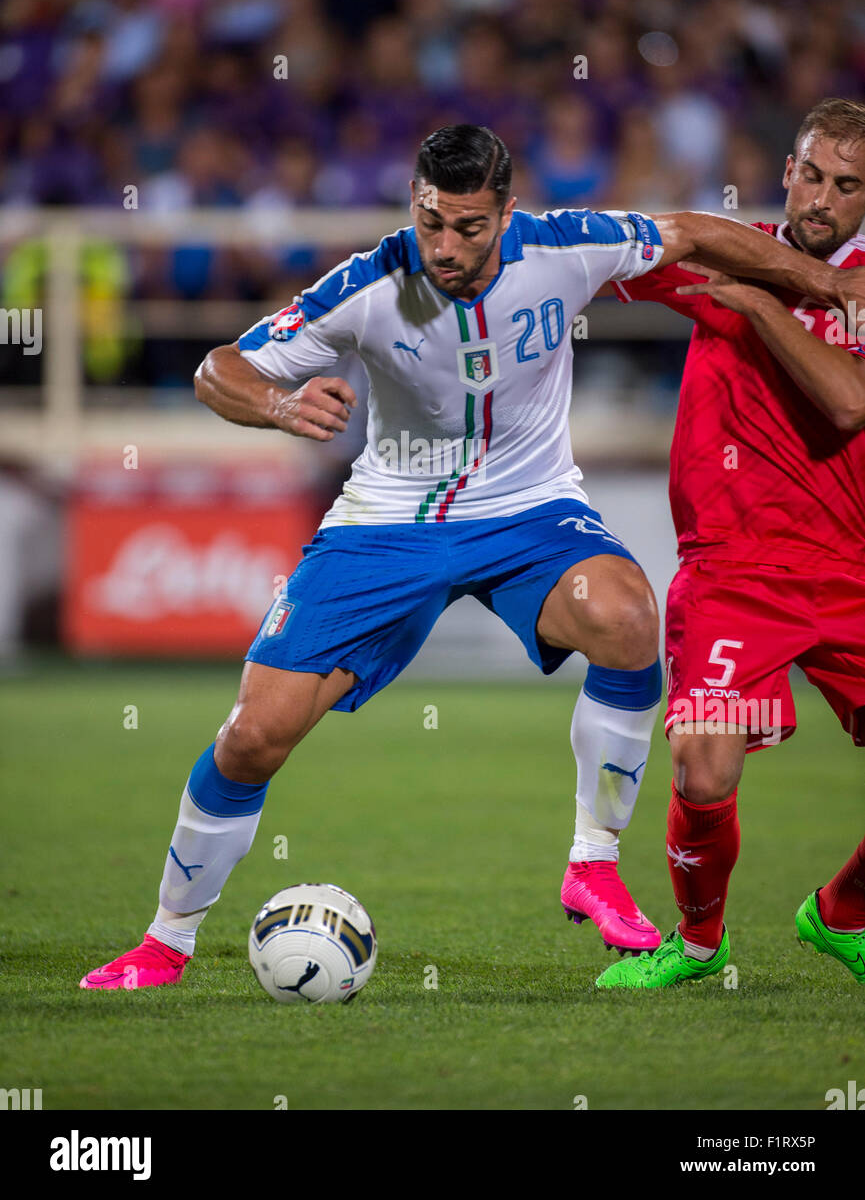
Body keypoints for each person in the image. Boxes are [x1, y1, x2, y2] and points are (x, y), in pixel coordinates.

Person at [79, 124, 865, 991]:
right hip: (386, 523)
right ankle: (166, 940)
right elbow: (215, 368)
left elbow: (690, 229)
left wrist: (825, 284)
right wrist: (276, 402)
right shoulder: (370, 284)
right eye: (430, 223)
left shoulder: (566, 246)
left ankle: (592, 861)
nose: (445, 248)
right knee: (254, 736)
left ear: (507, 215)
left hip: (530, 513)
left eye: (468, 227)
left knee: (627, 615)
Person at [597, 97, 865, 990]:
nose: (822, 198)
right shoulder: (723, 252)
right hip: (732, 568)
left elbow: (847, 401)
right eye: (812, 174)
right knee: (704, 762)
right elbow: (608, 256)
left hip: (850, 569)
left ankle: (841, 913)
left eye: (848, 185)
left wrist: (757, 306)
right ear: (787, 170)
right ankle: (698, 941)